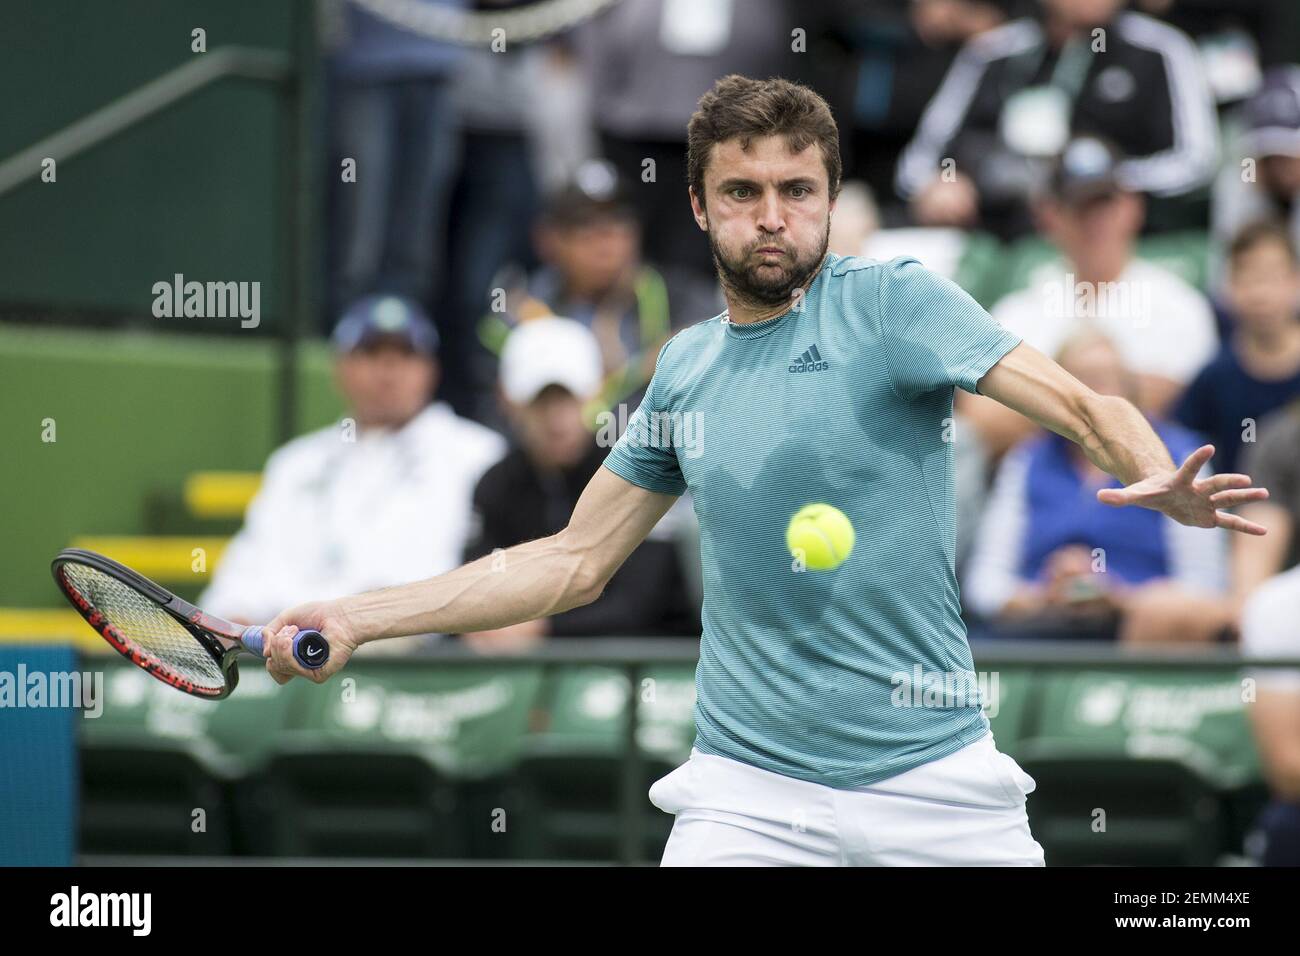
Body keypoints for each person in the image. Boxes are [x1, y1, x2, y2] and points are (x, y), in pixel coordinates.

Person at [259, 76, 1269, 867]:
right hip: (748, 795)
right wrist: (356, 616)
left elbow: (1083, 403)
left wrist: (1154, 471)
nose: (772, 216)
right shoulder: (683, 371)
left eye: (798, 191)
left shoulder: (896, 302)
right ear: (698, 207)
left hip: (937, 778)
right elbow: (570, 560)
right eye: (742, 192)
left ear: (829, 200)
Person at [198, 295, 505, 634]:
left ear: (430, 371)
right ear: (340, 368)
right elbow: (244, 572)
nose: (388, 371)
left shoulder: (478, 454)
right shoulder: (296, 462)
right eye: (371, 354)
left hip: (414, 649)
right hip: (292, 651)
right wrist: (235, 618)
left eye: (405, 355)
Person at [959, 135, 1219, 459]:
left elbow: (1162, 404)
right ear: (1050, 215)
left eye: (1104, 203)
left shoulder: (1179, 305)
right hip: (1035, 496)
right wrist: (1104, 397)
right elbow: (980, 420)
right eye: (1079, 206)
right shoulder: (1020, 309)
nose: (1095, 221)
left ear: (1131, 207)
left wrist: (1029, 398)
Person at [964, 331, 1230, 643]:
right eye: (1080, 381)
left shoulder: (1181, 455)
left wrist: (1120, 596)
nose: (1094, 394)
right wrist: (1040, 596)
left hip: (1141, 632)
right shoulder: (1028, 459)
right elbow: (985, 582)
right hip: (1039, 626)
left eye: (1107, 379)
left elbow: (1205, 584)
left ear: (1130, 390)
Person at [460, 317, 700, 654]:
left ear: (592, 394)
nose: (556, 419)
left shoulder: (640, 469)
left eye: (567, 399)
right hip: (527, 666)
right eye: (540, 402)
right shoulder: (496, 484)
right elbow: (475, 582)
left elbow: (640, 603)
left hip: (650, 667)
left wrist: (540, 630)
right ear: (508, 401)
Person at [896, 0, 1218, 239]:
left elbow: (1197, 161)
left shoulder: (1159, 48)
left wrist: (1101, 184)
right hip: (992, 233)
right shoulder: (993, 52)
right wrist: (937, 186)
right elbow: (918, 161)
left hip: (1116, 240)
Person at [1174, 221, 1300, 476]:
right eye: (1247, 279)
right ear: (1228, 287)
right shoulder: (1214, 379)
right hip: (1235, 509)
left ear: (1295, 281)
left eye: (1272, 278)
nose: (1260, 293)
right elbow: (1183, 446)